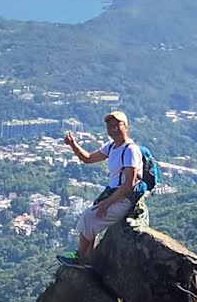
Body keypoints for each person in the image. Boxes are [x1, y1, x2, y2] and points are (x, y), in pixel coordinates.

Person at [57, 110, 142, 269]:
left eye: (117, 125)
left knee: (89, 217)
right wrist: (73, 144)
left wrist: (107, 203)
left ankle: (81, 258)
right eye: (109, 126)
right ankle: (88, 259)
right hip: (114, 195)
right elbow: (88, 158)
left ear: (126, 126)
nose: (113, 129)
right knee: (89, 219)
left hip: (124, 198)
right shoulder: (112, 147)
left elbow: (129, 184)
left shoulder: (130, 150)